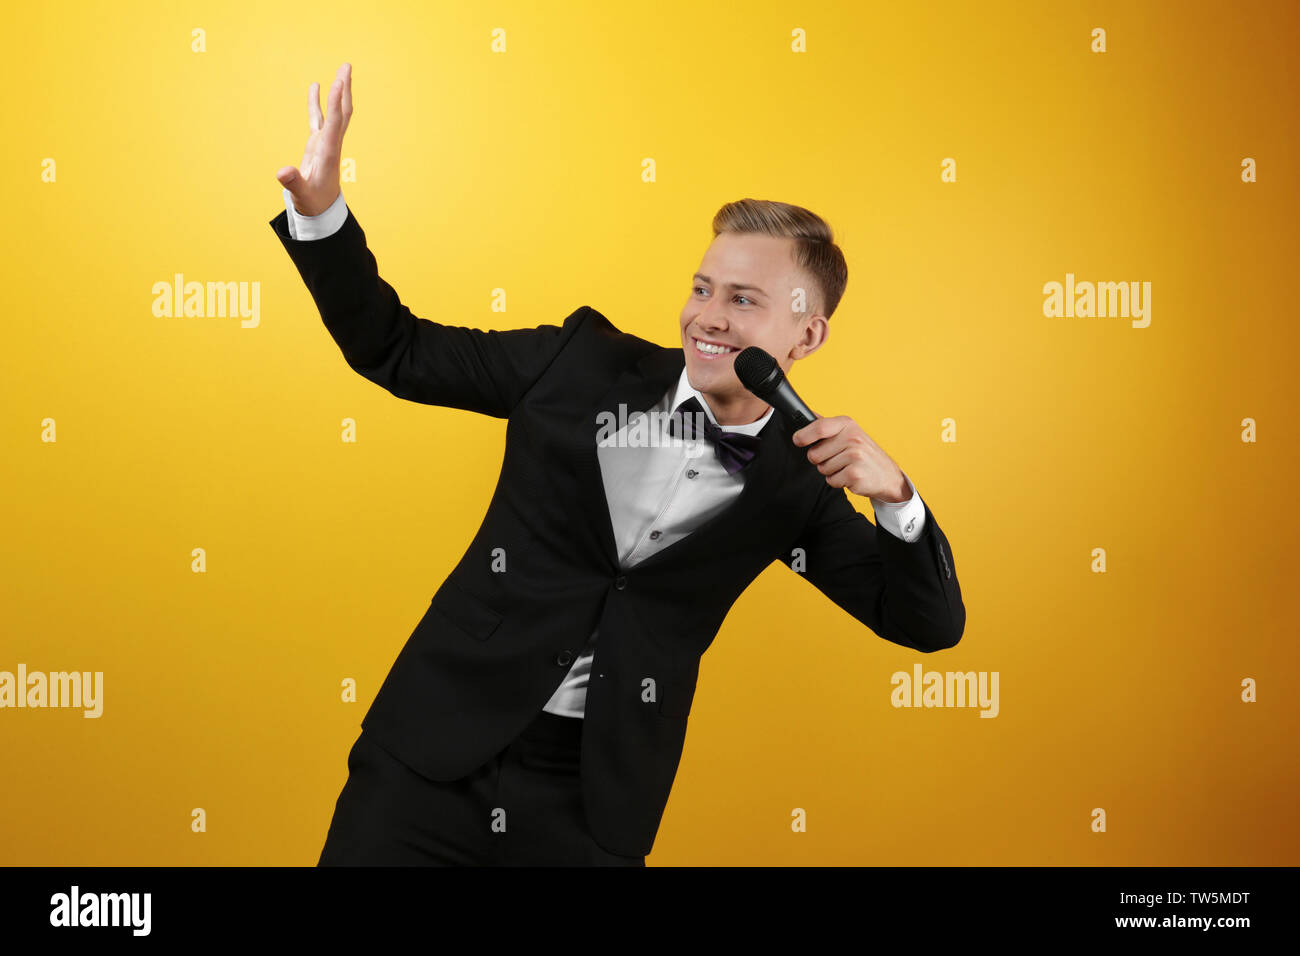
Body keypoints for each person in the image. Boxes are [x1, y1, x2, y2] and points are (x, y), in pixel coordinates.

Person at [270, 63, 965, 866]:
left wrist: (899, 501)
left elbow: (927, 624)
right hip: (430, 756)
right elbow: (394, 347)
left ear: (807, 337)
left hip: (590, 805)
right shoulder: (577, 362)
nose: (707, 317)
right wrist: (320, 213)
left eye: (743, 300)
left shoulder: (798, 483)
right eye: (703, 288)